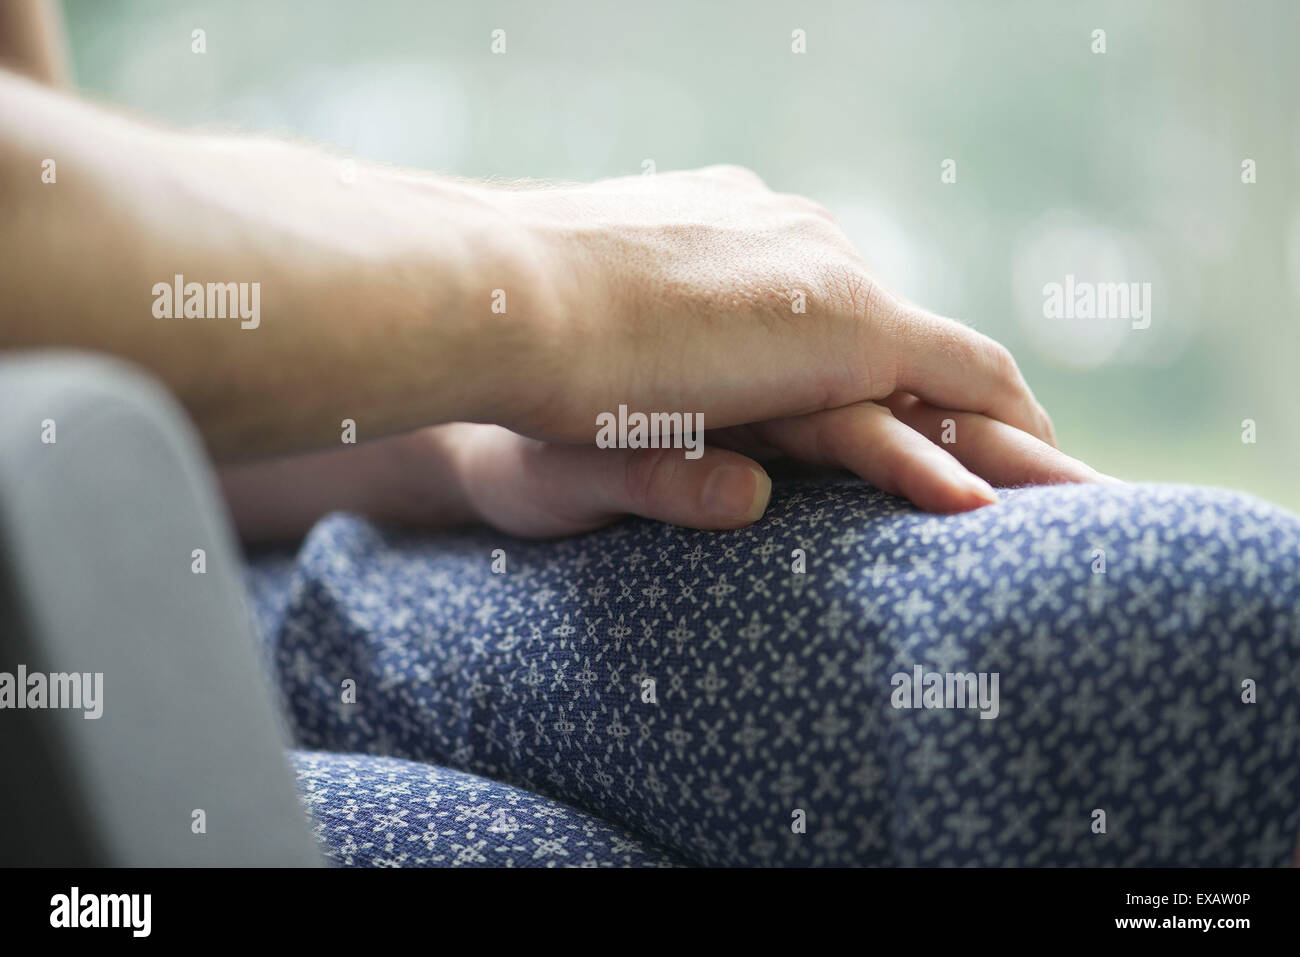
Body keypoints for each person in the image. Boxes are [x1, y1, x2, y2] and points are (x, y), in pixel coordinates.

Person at [2, 1, 1297, 866]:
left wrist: (460, 443)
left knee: (1196, 631)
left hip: (175, 575)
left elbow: (62, 380)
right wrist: (559, 295)